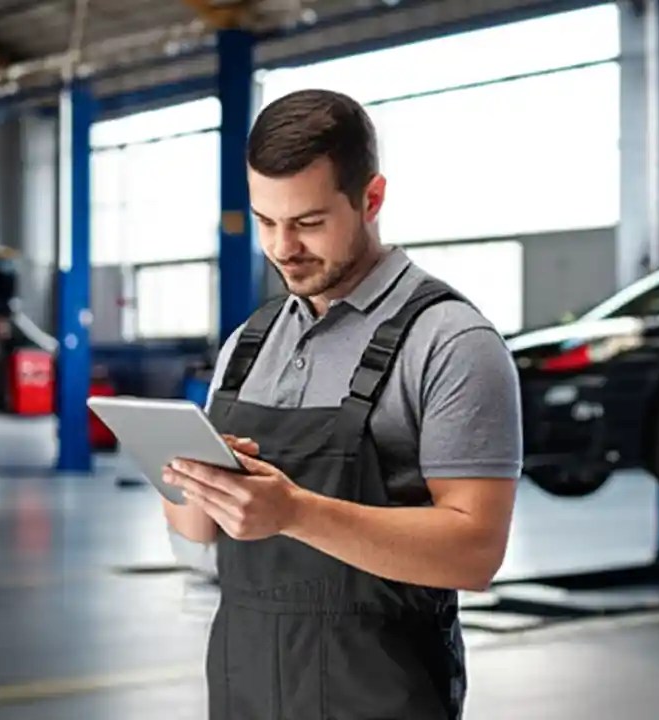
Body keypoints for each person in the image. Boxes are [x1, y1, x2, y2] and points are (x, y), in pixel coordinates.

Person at [160, 88, 523, 720]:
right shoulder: (247, 346)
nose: (283, 248)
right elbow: (196, 543)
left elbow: (475, 551)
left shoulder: (451, 343)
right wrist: (188, 483)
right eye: (266, 222)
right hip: (245, 695)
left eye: (307, 223)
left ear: (371, 199)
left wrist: (294, 511)